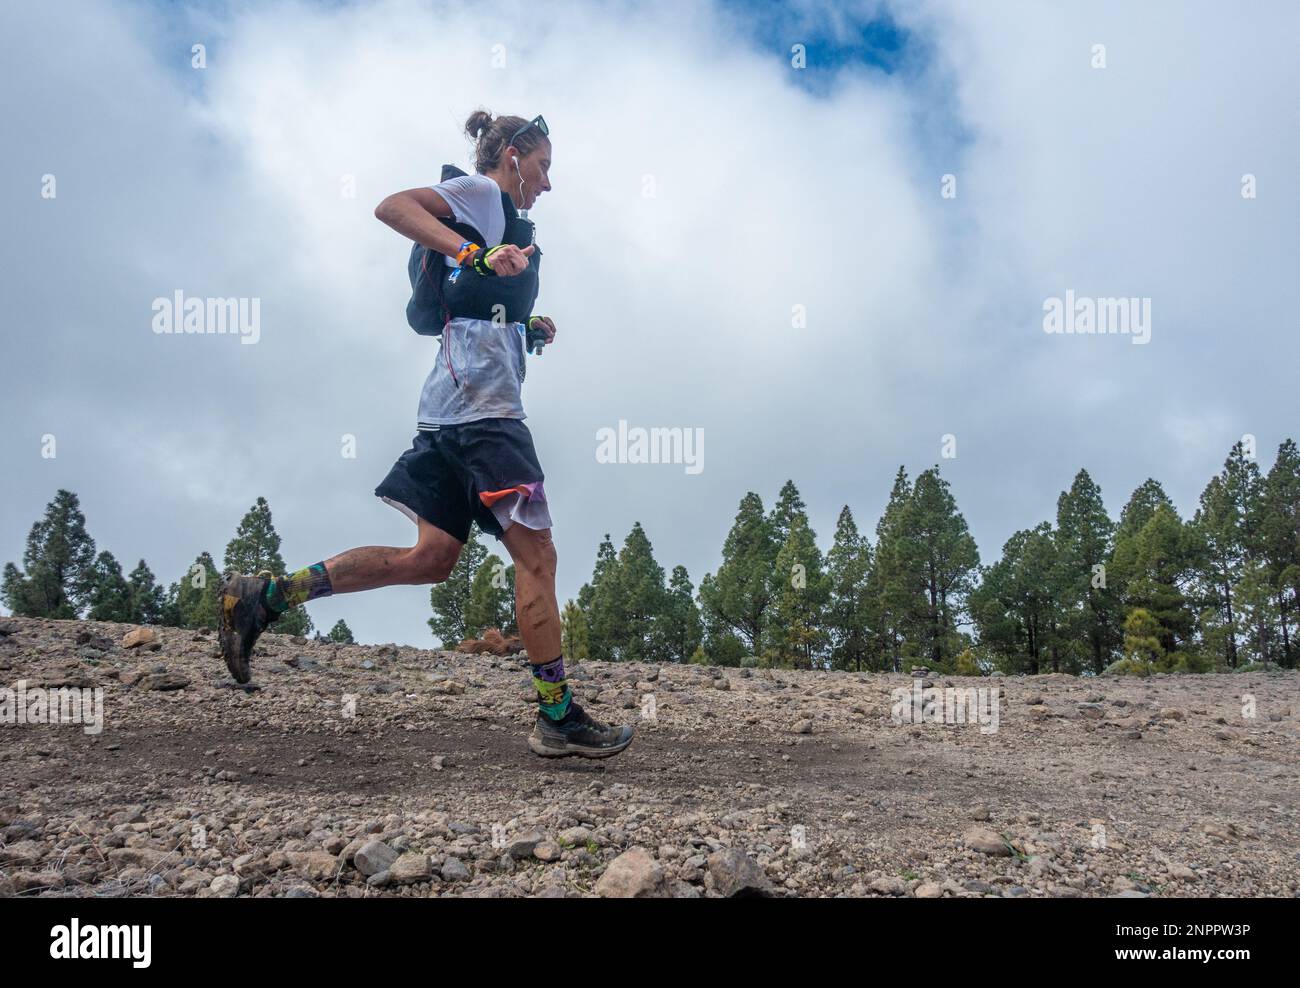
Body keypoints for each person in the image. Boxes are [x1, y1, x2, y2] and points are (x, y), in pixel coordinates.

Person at [217, 110, 634, 759]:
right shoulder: (483, 194)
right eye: (544, 165)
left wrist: (525, 329)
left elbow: (470, 311)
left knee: (430, 560)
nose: (548, 183)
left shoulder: (506, 219)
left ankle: (265, 597)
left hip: (452, 410)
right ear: (515, 155)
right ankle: (557, 716)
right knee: (537, 557)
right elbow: (391, 207)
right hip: (484, 417)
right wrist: (472, 249)